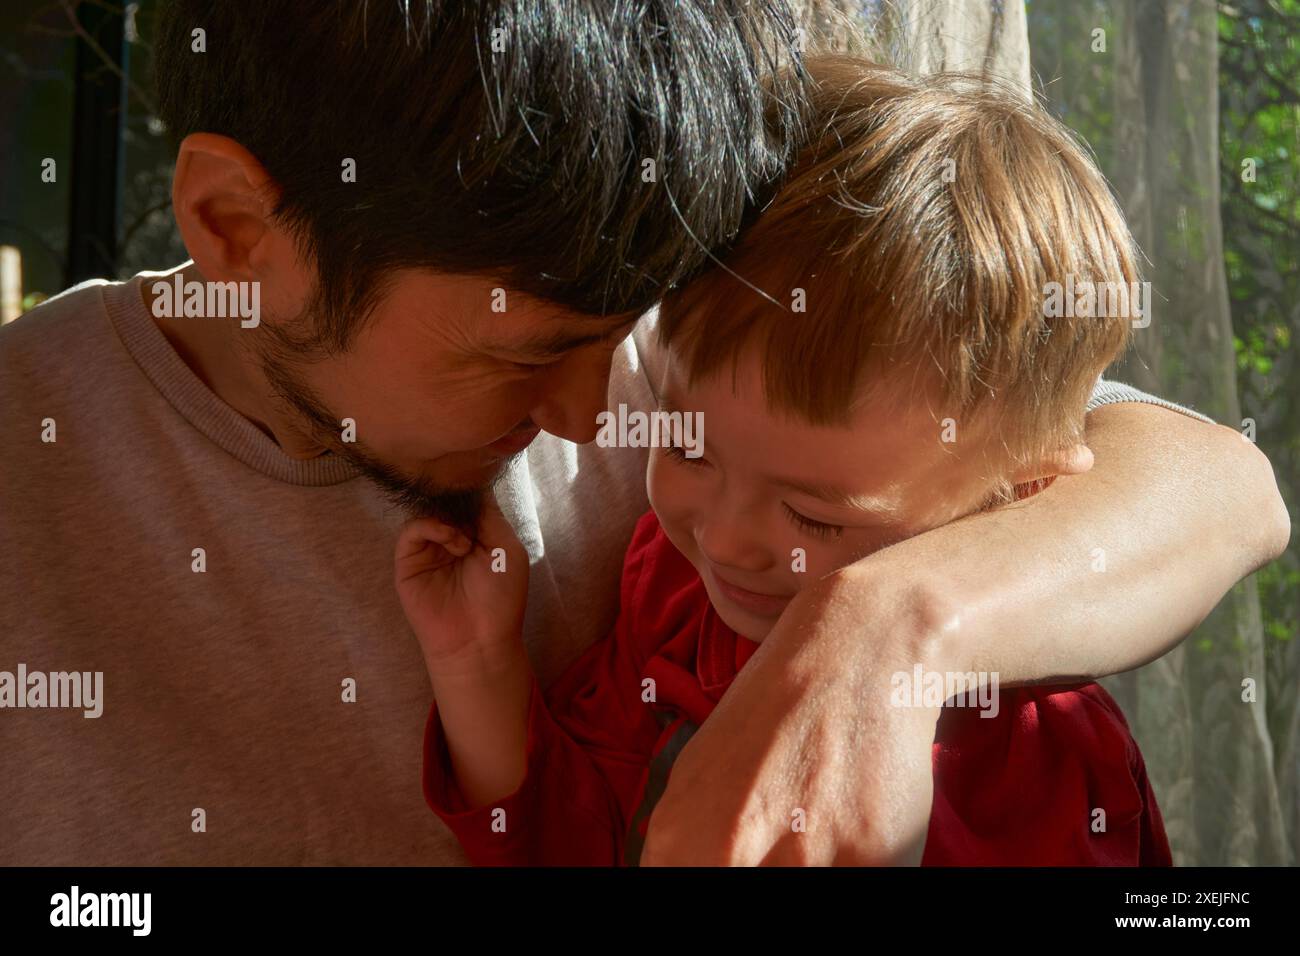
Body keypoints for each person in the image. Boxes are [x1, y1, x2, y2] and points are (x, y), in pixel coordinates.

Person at [0, 3, 1286, 865]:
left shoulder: (713, 361)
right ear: (236, 227)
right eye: (529, 353)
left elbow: (1225, 487)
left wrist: (889, 625)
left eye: (614, 344)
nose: (591, 407)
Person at [401, 59, 1175, 866]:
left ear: (1015, 501)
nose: (728, 540)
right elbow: (572, 838)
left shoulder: (1042, 762)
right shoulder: (673, 593)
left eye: (815, 515)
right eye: (688, 445)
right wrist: (478, 667)